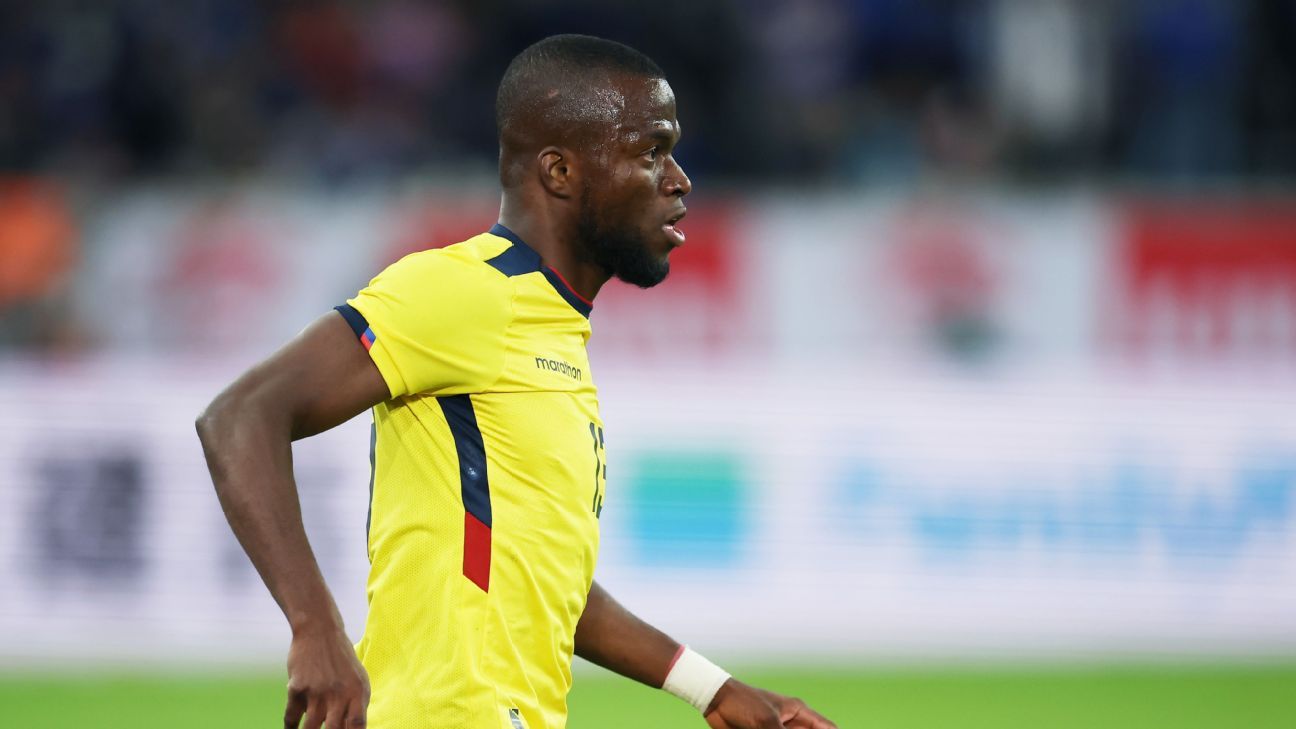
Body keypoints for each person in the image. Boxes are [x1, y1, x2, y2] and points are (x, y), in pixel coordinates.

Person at [197, 34, 837, 729]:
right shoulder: (465, 289)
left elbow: (552, 585)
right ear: (561, 171)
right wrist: (314, 628)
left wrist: (710, 687)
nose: (679, 179)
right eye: (652, 151)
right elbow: (240, 416)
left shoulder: (554, 329)